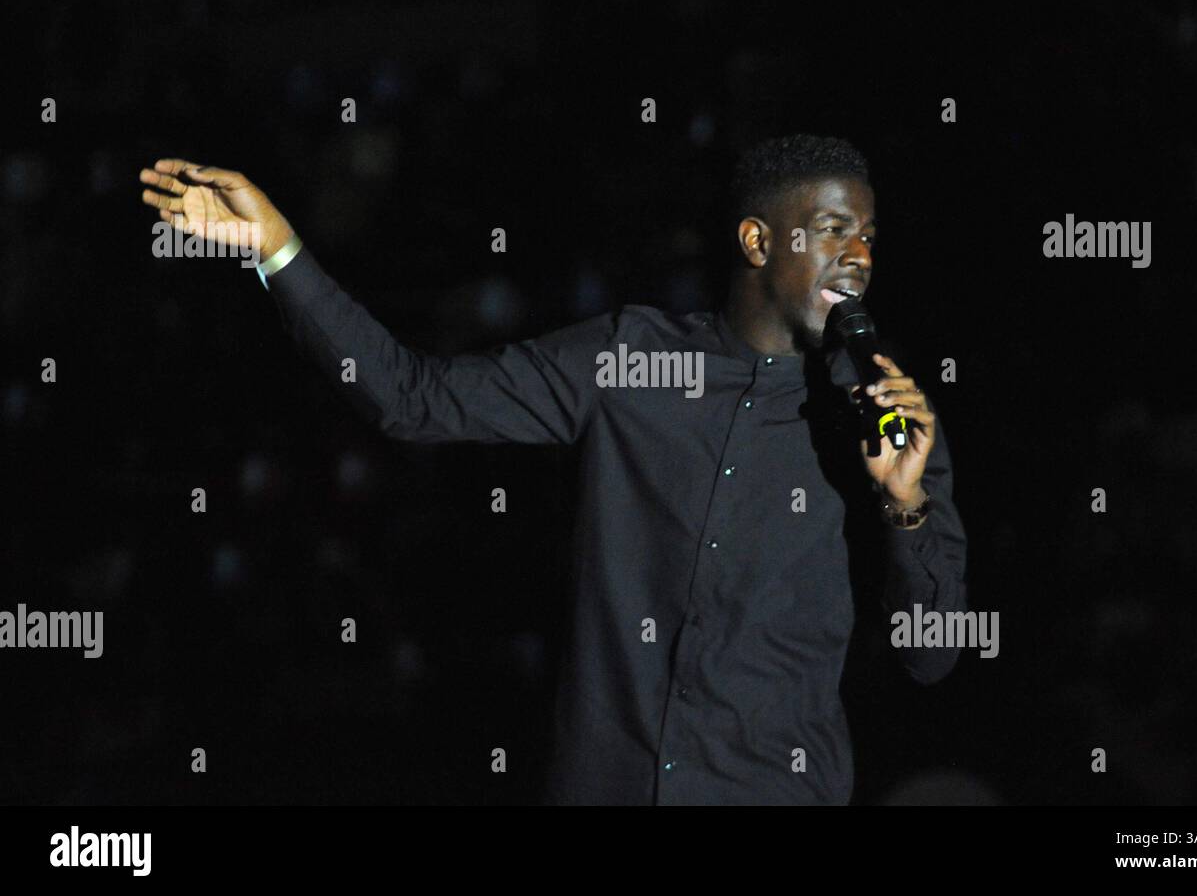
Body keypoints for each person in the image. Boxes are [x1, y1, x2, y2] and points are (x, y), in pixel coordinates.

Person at [139, 133, 968, 805]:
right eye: (831, 228)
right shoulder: (628, 360)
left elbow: (931, 657)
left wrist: (905, 507)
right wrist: (278, 252)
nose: (857, 253)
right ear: (757, 239)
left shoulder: (886, 419)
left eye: (867, 236)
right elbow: (414, 398)